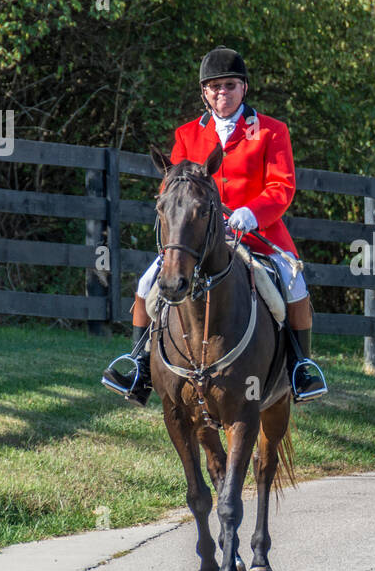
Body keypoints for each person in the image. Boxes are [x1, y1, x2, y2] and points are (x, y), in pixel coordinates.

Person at [102, 46, 327, 404]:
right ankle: (139, 367)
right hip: (198, 237)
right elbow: (173, 186)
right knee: (147, 284)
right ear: (204, 92)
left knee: (294, 283)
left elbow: (282, 187)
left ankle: (301, 369)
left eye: (229, 85)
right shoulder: (186, 135)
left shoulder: (270, 131)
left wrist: (250, 213)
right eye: (214, 86)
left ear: (244, 88)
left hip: (258, 235)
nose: (222, 92)